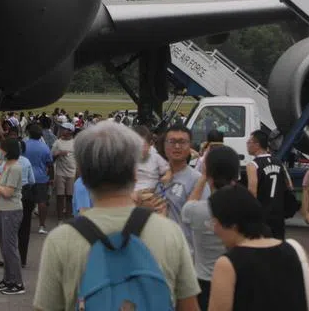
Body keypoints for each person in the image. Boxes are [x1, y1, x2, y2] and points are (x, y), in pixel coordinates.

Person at [32, 120, 199, 311]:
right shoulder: (170, 233)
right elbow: (189, 306)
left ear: (84, 177)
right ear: (135, 173)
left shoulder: (61, 240)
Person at [207, 185, 309, 311]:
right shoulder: (295, 249)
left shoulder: (228, 264)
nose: (214, 229)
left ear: (232, 224)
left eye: (215, 222)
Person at [182, 145, 239, 309]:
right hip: (235, 279)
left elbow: (188, 207)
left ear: (209, 175)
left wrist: (203, 177)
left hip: (203, 283)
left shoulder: (197, 210)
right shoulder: (242, 208)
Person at [0, 138, 24, 295]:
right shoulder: (7, 166)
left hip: (12, 210)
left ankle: (17, 282)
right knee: (4, 246)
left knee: (10, 247)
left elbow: (8, 192)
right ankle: (8, 279)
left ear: (7, 150)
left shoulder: (15, 168)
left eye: (1, 149)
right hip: (4, 210)